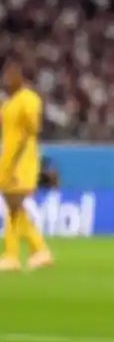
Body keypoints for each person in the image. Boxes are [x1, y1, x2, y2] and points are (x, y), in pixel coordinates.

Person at [1, 61, 51, 271]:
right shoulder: (9, 103)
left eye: (10, 76)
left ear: (21, 77)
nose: (5, 80)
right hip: (8, 158)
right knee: (14, 207)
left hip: (21, 160)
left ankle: (19, 253)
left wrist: (16, 157)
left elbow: (32, 129)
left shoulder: (29, 100)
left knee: (14, 205)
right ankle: (33, 252)